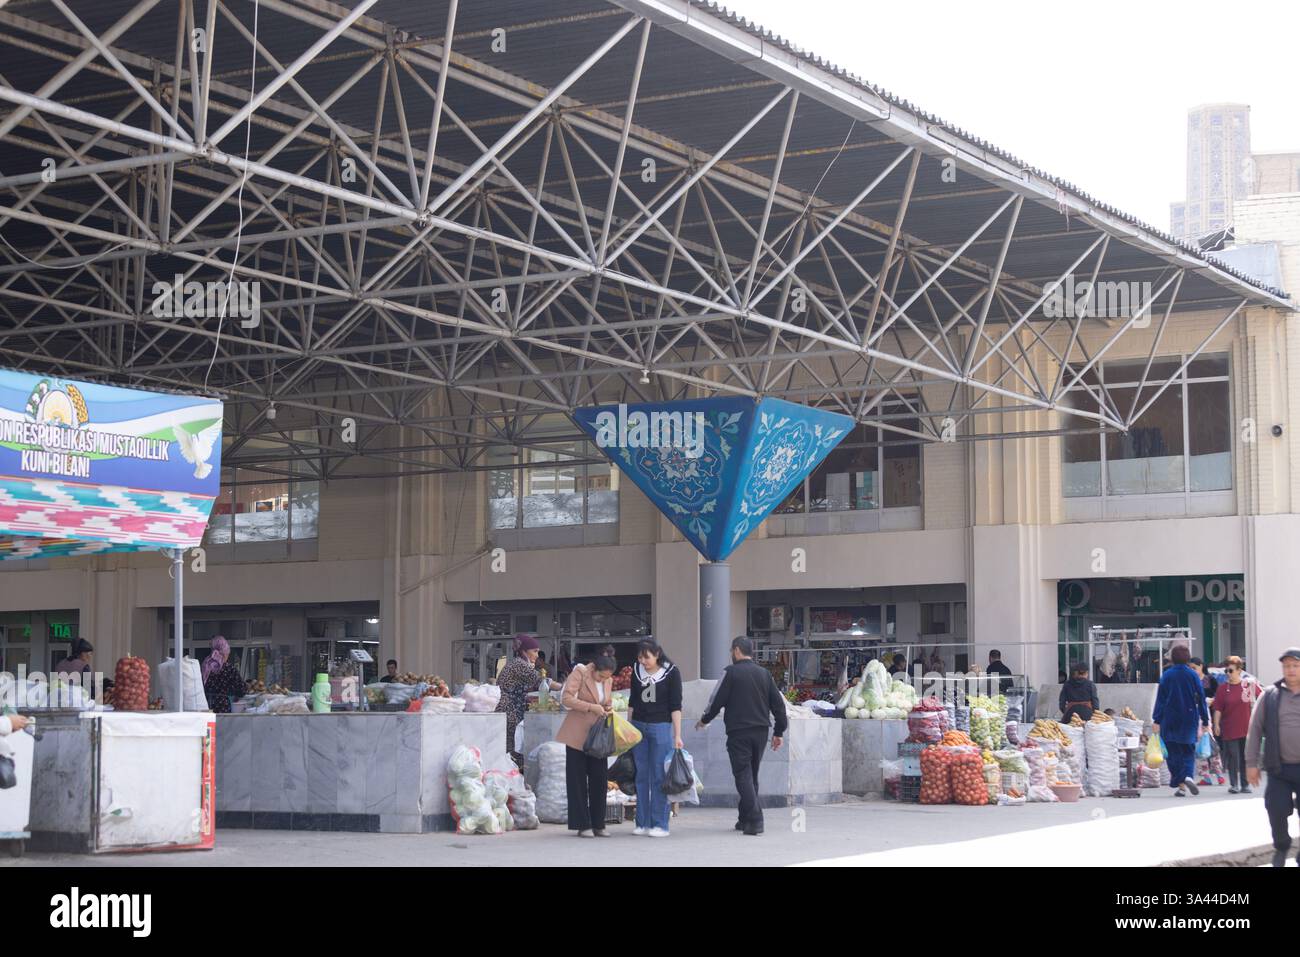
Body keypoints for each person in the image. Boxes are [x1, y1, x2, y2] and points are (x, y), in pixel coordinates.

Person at [696, 636, 788, 836]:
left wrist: (704, 720)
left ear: (736, 650)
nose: (731, 655)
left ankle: (755, 820)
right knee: (751, 775)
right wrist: (779, 731)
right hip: (761, 731)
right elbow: (778, 705)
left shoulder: (730, 672)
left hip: (739, 732)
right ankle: (744, 818)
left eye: (731, 651)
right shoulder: (764, 674)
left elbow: (716, 700)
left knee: (742, 775)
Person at [1245, 647, 1300, 867]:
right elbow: (1255, 729)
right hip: (1279, 768)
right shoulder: (1270, 696)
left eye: (1295, 665)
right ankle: (1282, 846)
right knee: (1275, 808)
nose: (1291, 670)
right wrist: (1251, 764)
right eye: (1287, 666)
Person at [555, 654, 616, 838]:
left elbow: (607, 701)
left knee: (599, 778)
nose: (603, 680)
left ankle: (599, 823)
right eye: (601, 677)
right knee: (577, 780)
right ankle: (582, 824)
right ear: (594, 669)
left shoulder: (609, 680)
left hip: (598, 736)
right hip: (577, 735)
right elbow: (566, 698)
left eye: (606, 678)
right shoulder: (580, 673)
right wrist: (590, 707)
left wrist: (607, 708)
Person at [627, 639, 683, 838]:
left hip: (661, 727)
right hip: (639, 726)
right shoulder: (636, 670)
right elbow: (632, 701)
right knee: (641, 775)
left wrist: (677, 735)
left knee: (659, 776)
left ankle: (660, 823)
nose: (643, 661)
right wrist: (628, 728)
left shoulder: (671, 672)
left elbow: (676, 706)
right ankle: (642, 822)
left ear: (657, 653)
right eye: (640, 657)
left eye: (647, 657)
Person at [494, 635, 562, 770]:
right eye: (535, 651)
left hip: (512, 708)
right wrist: (565, 689)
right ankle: (514, 777)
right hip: (509, 710)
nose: (537, 655)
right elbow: (542, 681)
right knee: (513, 749)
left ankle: (514, 776)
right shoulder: (519, 664)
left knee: (512, 748)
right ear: (524, 651)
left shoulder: (518, 663)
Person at [1153, 644, 1211, 797]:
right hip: (1189, 718)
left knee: (1173, 753)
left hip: (1169, 719)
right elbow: (1202, 698)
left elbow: (1161, 699)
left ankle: (1181, 786)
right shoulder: (1192, 675)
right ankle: (1188, 777)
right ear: (1187, 658)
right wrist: (1205, 720)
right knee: (1188, 751)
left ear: (1172, 658)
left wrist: (1156, 719)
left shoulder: (1167, 675)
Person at [1213, 656, 1257, 794]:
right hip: (1230, 728)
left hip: (1246, 727)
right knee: (1233, 756)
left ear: (1239, 670)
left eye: (1231, 670)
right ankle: (1234, 784)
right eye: (1226, 670)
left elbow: (1260, 701)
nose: (1228, 673)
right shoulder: (1222, 689)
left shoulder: (1248, 686)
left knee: (1245, 757)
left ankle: (1245, 784)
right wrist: (1216, 725)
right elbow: (1218, 708)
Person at [201, 636, 244, 714]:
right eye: (228, 654)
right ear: (224, 653)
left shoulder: (205, 664)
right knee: (220, 726)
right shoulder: (229, 668)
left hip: (206, 707)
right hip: (222, 709)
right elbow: (241, 690)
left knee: (208, 726)